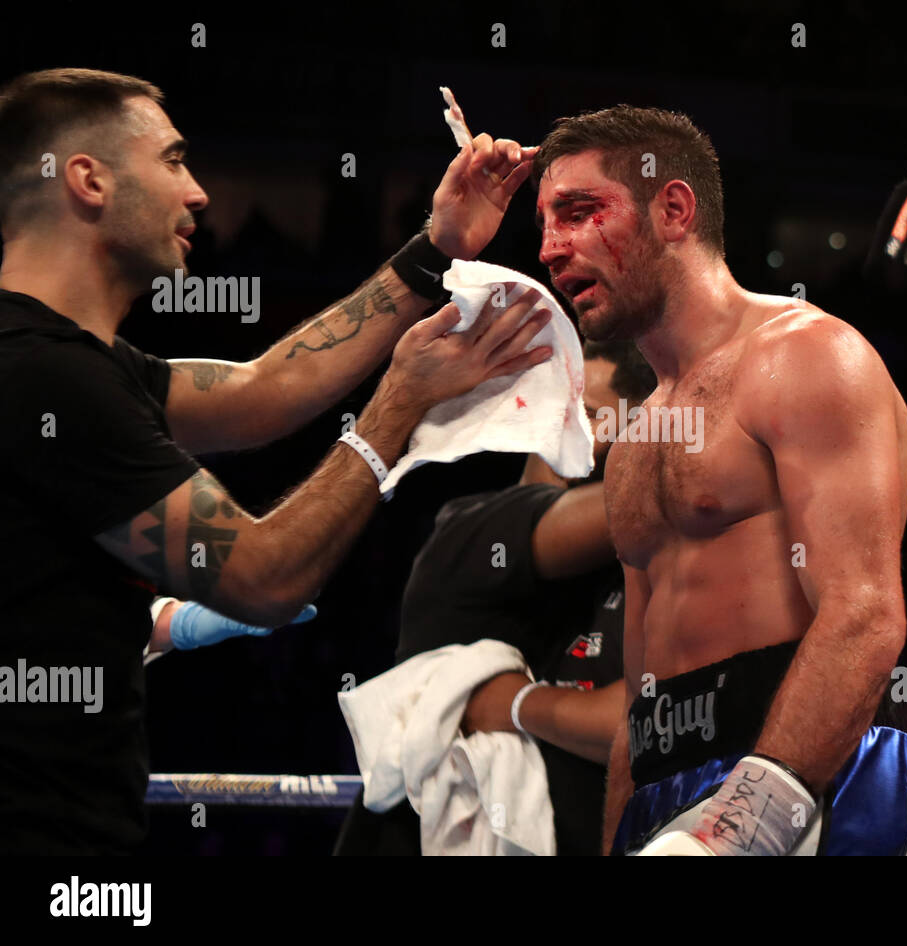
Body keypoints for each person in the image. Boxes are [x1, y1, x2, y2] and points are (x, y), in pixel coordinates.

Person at [0, 67, 547, 854]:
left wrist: (436, 249)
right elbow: (263, 577)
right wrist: (399, 405)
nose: (198, 194)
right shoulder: (46, 376)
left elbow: (264, 390)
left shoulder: (76, 366)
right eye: (173, 160)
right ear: (86, 179)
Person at [532, 106, 907, 856]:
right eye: (546, 225)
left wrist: (748, 823)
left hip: (819, 778)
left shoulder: (809, 358)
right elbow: (641, 708)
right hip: (671, 787)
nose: (553, 248)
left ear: (674, 209)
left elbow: (865, 616)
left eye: (581, 213)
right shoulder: (635, 444)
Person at [334, 340, 656, 856]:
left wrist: (520, 704)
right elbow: (641, 506)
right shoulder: (472, 528)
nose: (566, 426)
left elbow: (646, 723)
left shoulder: (650, 571)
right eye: (556, 405)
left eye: (594, 415)